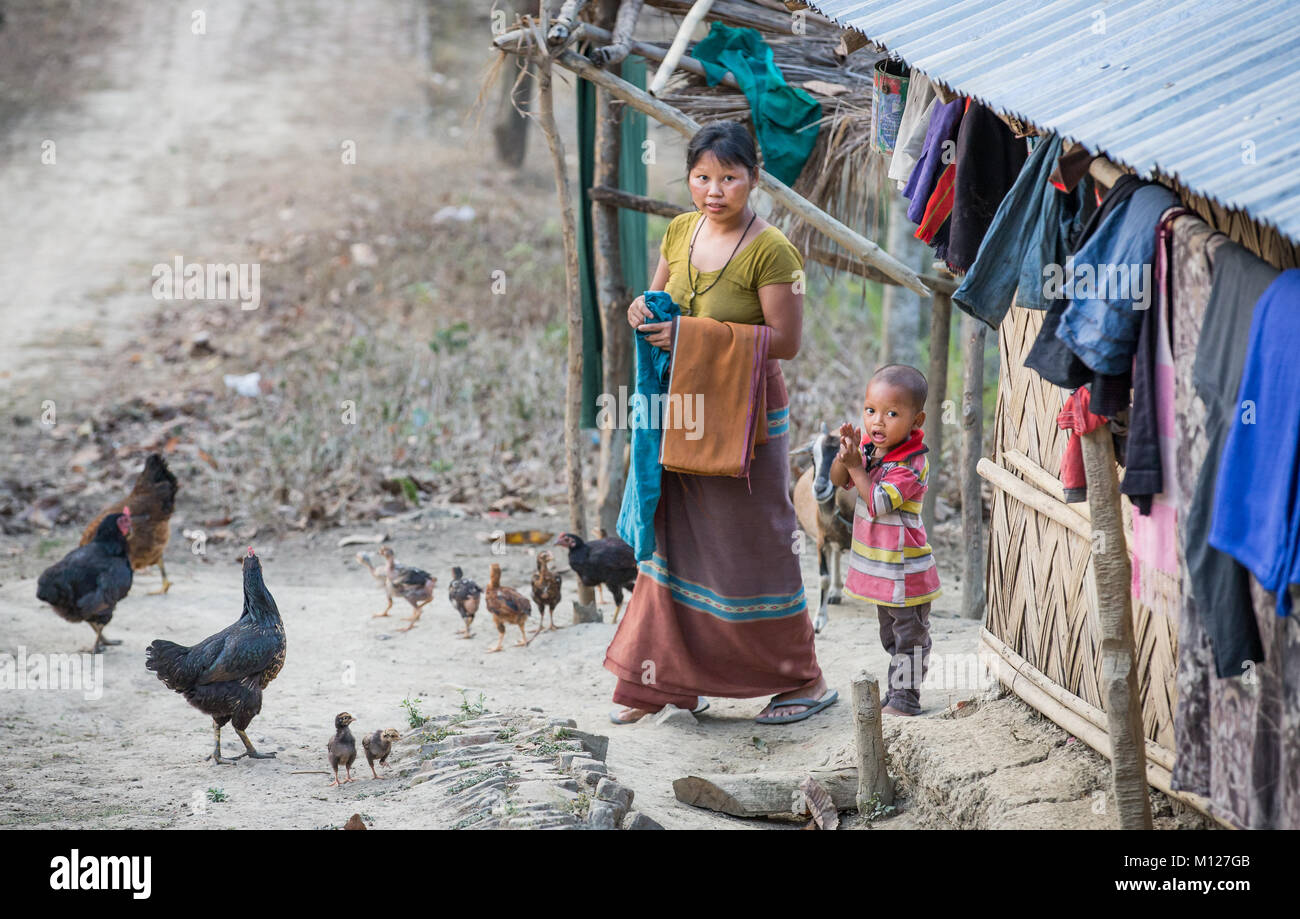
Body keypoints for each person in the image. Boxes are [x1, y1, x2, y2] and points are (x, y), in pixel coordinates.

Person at [603, 121, 837, 726]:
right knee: (675, 538)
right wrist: (643, 310)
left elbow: (786, 342)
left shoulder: (773, 250)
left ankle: (801, 679)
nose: (715, 189)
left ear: (753, 180)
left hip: (747, 415)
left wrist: (690, 335)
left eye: (729, 177)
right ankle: (666, 681)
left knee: (754, 539)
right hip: (682, 408)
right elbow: (659, 305)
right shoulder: (680, 231)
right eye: (703, 176)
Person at [830, 364, 942, 716]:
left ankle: (906, 699)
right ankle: (897, 693)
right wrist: (845, 455)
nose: (878, 421)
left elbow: (877, 501)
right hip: (883, 569)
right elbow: (839, 480)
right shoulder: (869, 450)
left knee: (910, 639)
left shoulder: (912, 463)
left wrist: (856, 468)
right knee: (891, 637)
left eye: (892, 413)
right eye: (871, 411)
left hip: (906, 571)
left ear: (917, 420)